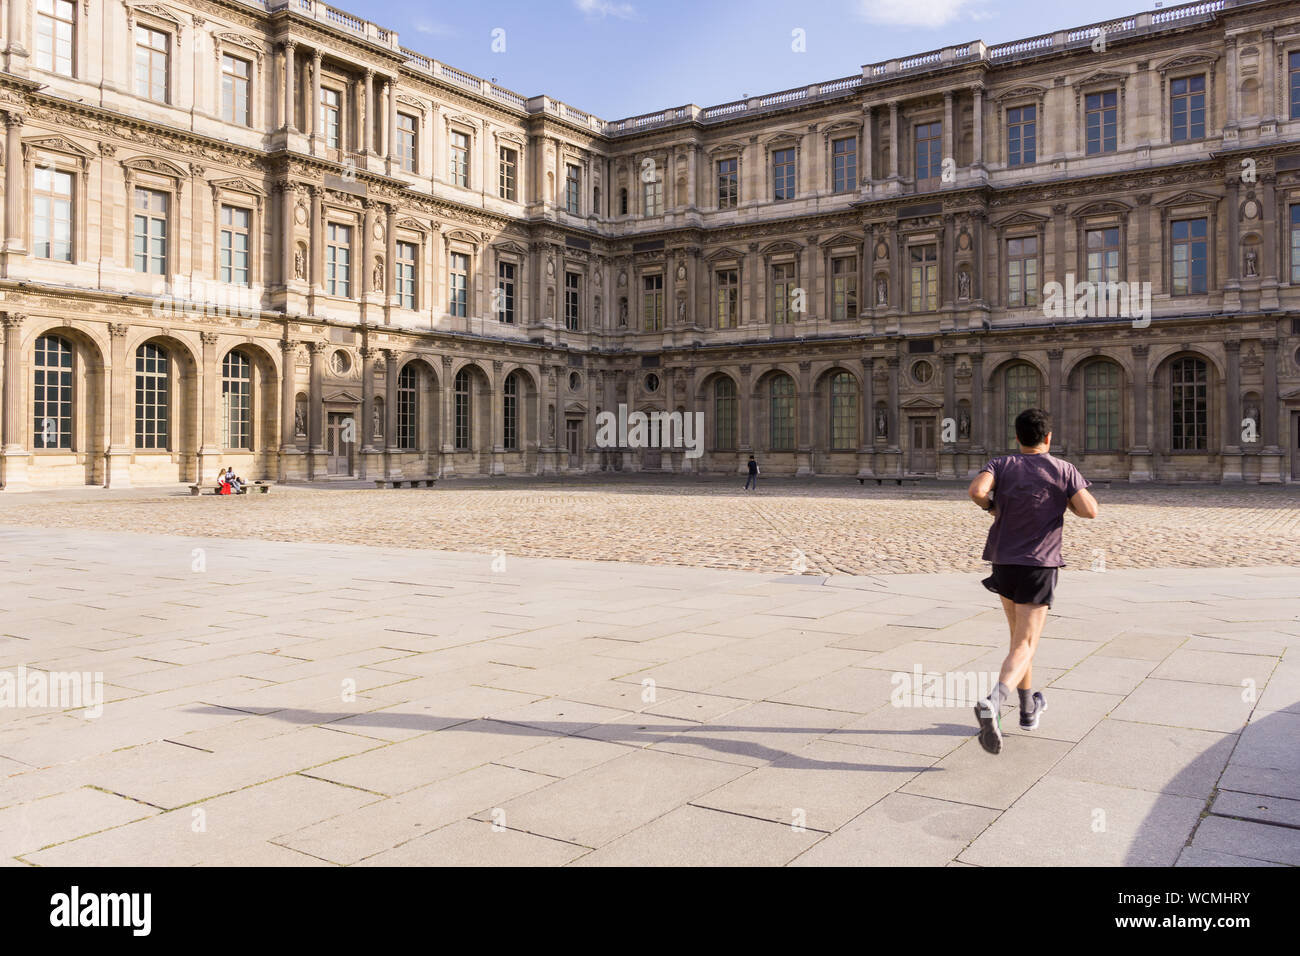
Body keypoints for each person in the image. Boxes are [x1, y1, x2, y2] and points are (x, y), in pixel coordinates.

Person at [966, 408, 1098, 755]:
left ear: (1017, 437)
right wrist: (1065, 495)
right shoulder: (1062, 469)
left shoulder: (1001, 464)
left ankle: (1027, 712)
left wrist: (993, 508)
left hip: (1003, 561)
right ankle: (994, 701)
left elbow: (977, 491)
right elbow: (1089, 511)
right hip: (1039, 564)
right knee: (1025, 645)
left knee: (1019, 642)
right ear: (1048, 437)